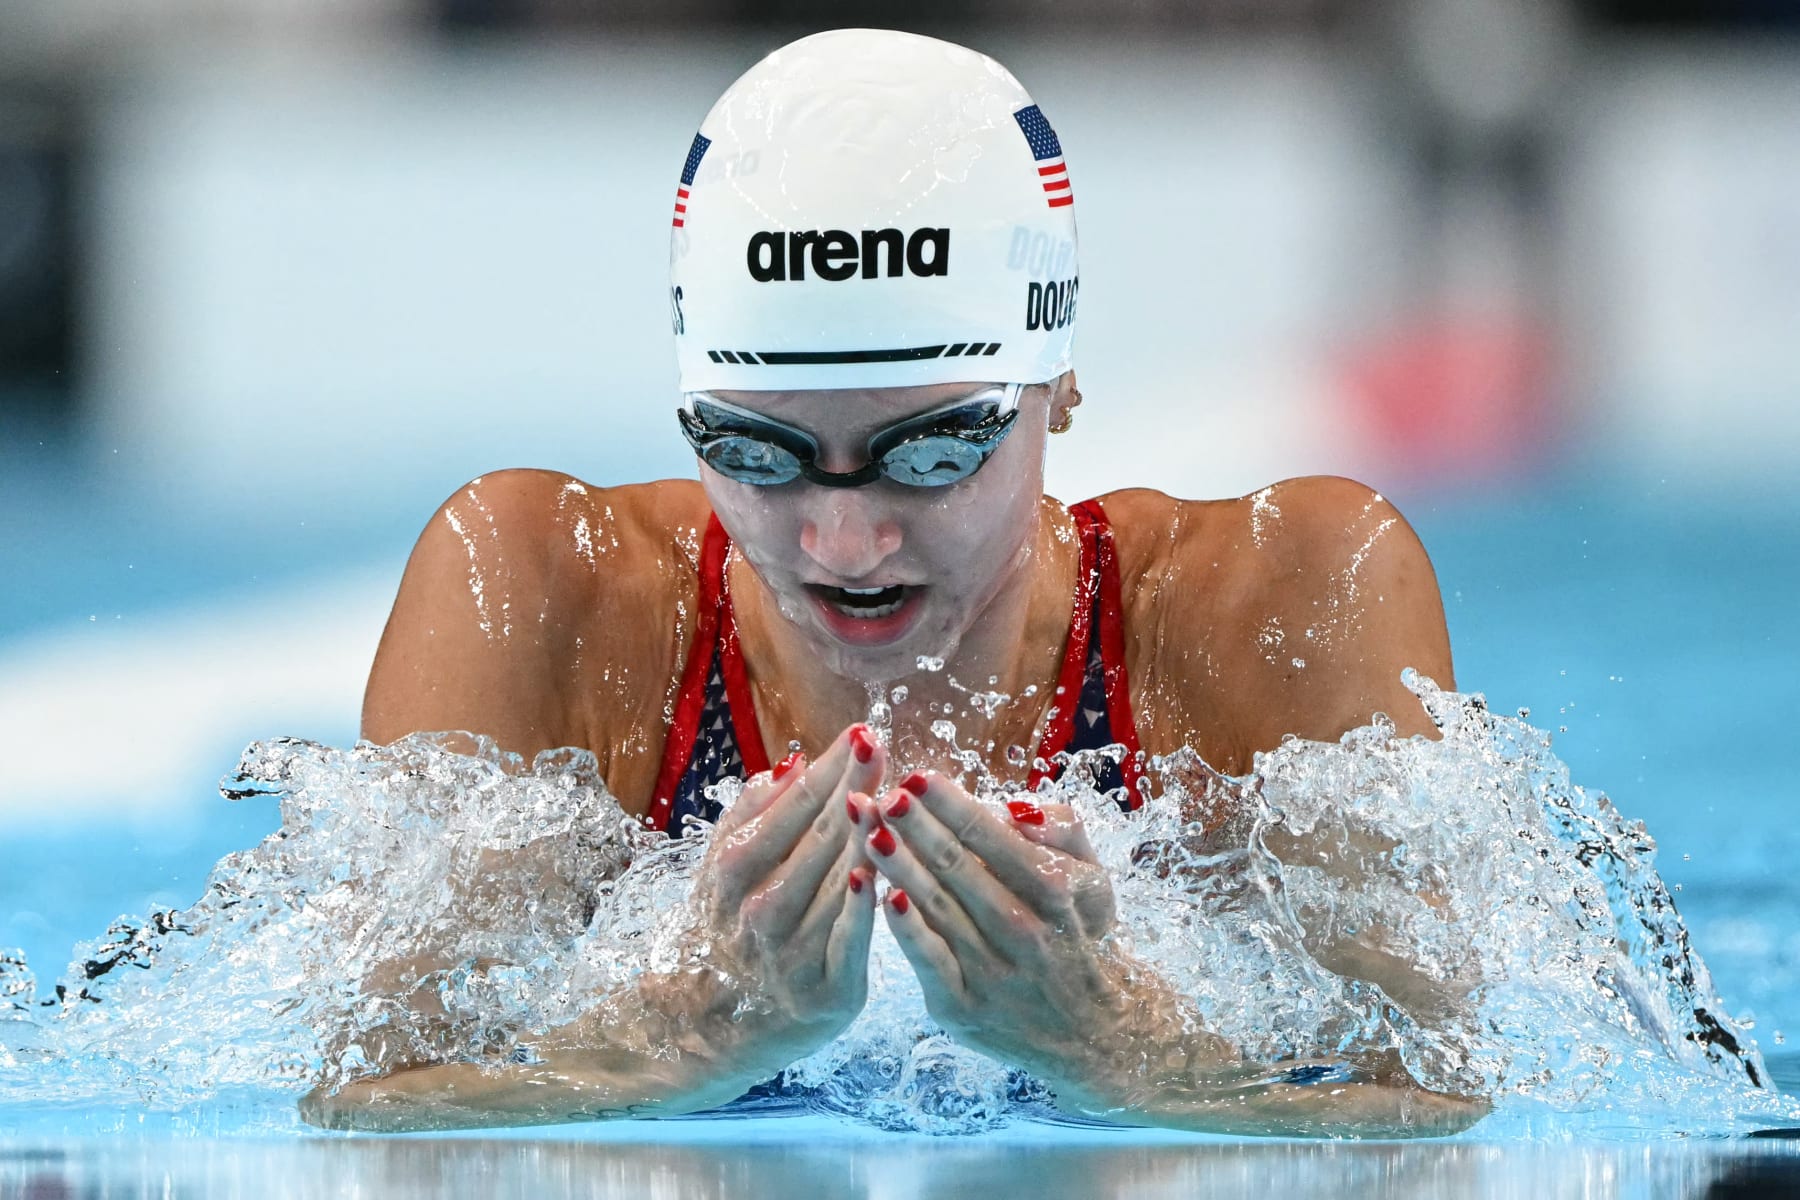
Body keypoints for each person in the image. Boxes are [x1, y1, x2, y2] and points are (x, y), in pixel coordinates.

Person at [303, 28, 1484, 1136]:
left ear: (1055, 380)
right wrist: (673, 1038)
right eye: (758, 453)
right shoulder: (543, 597)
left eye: (930, 454)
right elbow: (363, 1098)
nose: (843, 544)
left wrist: (1123, 1048)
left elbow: (1450, 1101)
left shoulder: (1281, 609)